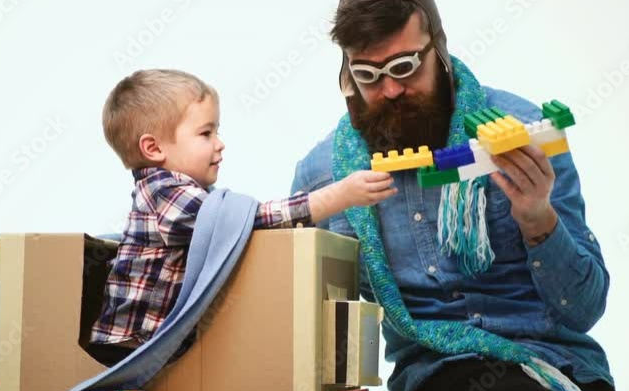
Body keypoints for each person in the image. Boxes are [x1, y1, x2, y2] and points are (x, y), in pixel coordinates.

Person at [290, 0, 629, 391]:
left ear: (437, 47)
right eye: (368, 75)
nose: (391, 89)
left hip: (564, 368)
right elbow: (320, 318)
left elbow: (585, 309)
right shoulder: (324, 178)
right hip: (444, 375)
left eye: (404, 67)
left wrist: (539, 220)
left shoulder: (524, 132)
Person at [88, 68, 397, 366]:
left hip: (156, 349)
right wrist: (336, 196)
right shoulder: (164, 193)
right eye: (206, 133)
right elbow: (246, 222)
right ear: (153, 148)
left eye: (216, 131)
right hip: (127, 354)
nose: (219, 143)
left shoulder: (187, 195)